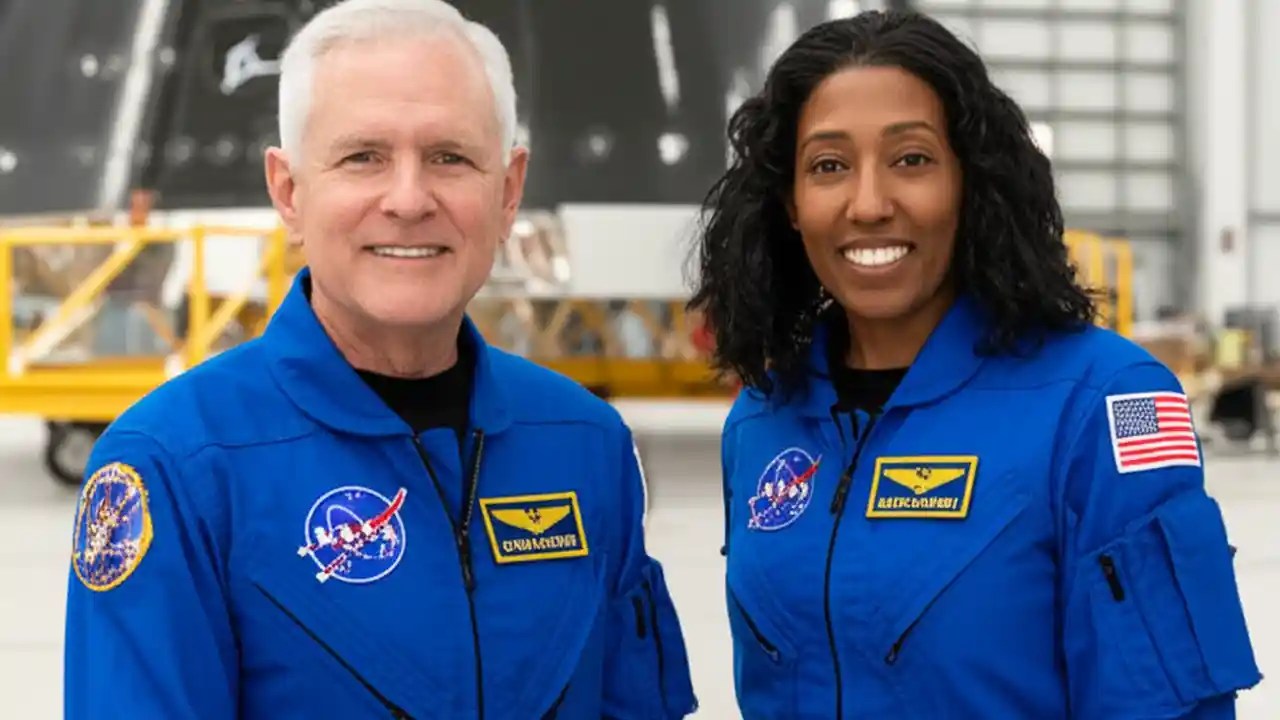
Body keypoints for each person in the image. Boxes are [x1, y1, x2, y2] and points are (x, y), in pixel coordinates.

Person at [62, 1, 697, 717]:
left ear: (509, 190)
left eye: (450, 157)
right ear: (289, 191)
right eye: (363, 157)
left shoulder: (584, 444)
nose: (408, 199)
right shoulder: (177, 468)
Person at [689, 11, 1260, 720]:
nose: (869, 204)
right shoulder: (762, 418)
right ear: (791, 204)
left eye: (911, 159)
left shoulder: (1105, 403)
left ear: (971, 182)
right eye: (829, 166)